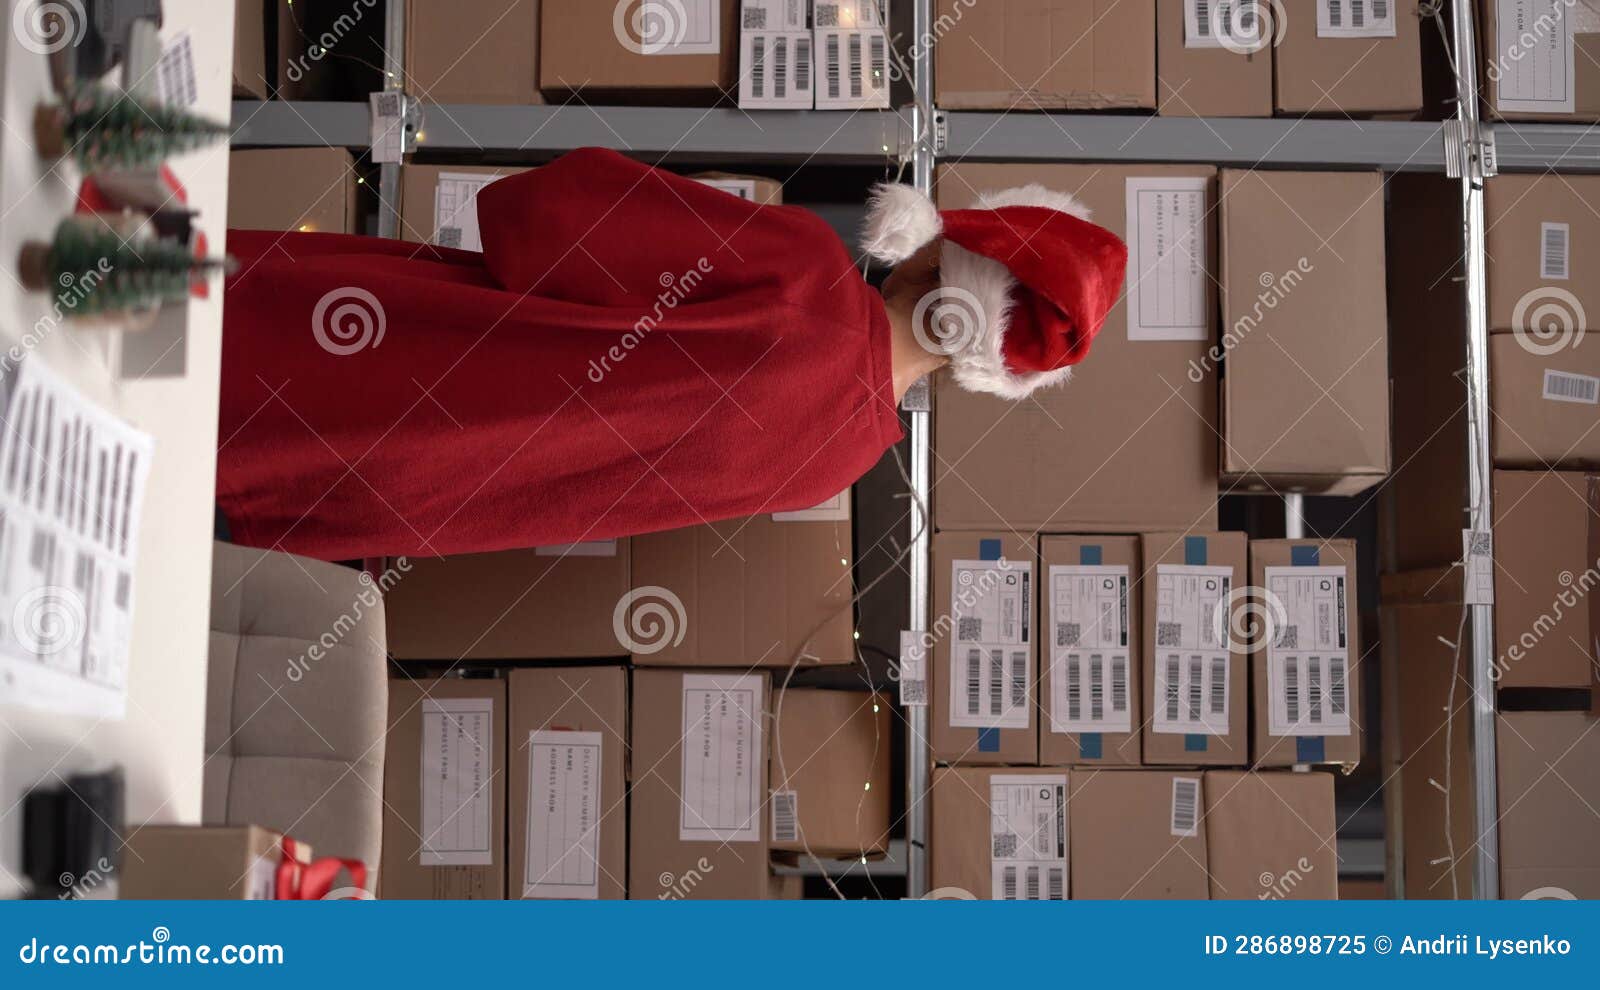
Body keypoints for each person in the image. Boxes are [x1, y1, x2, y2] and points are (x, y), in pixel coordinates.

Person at [216, 147, 1126, 561]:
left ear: (935, 254)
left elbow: (545, 216)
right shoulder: (841, 459)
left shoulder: (806, 272)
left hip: (364, 360)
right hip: (374, 497)